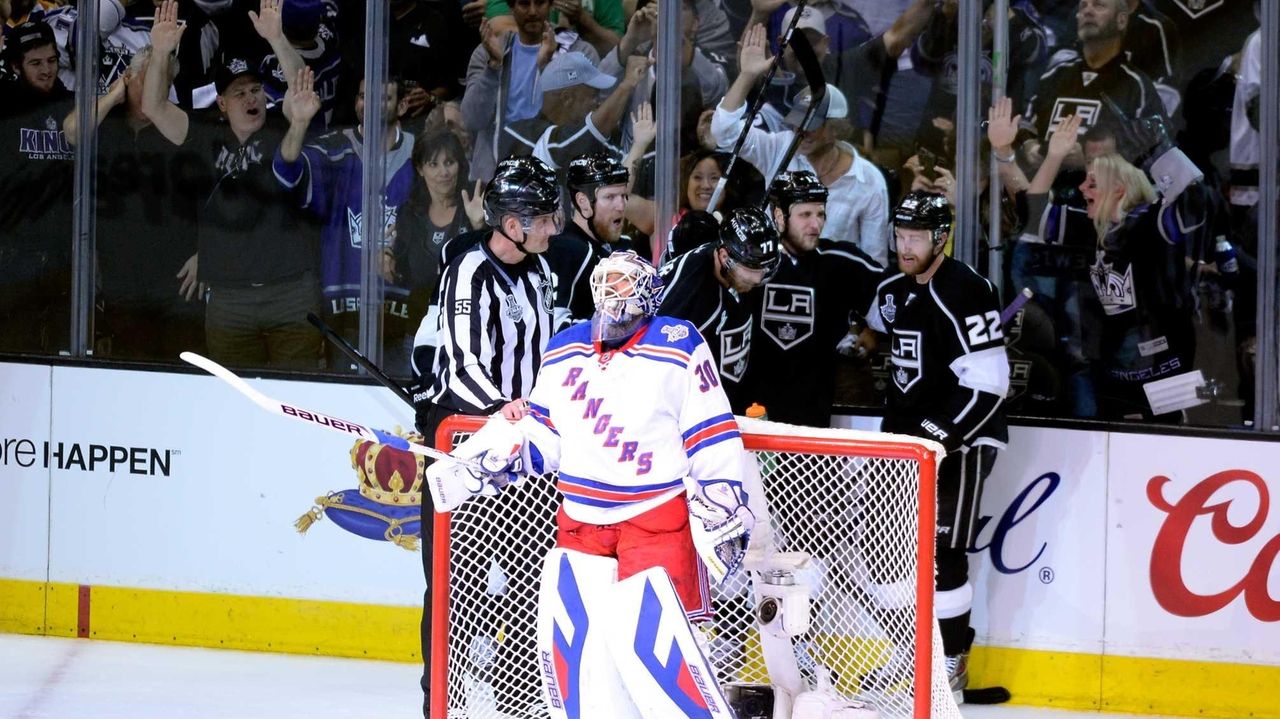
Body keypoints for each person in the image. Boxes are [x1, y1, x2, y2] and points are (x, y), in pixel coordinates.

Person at [425, 250, 751, 719]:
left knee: (659, 664)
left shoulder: (678, 342)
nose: (612, 290)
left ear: (648, 291)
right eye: (607, 280)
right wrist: (495, 459)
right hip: (580, 524)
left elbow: (711, 428)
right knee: (583, 668)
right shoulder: (563, 347)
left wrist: (721, 495)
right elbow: (545, 436)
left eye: (624, 281)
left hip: (656, 520)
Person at [412, 155, 561, 717]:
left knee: (530, 586)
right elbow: (466, 370)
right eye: (544, 218)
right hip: (465, 447)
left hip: (524, 451)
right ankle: (439, 704)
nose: (553, 227)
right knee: (456, 591)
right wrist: (506, 411)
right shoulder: (468, 270)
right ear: (514, 223)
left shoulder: (540, 272)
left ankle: (520, 702)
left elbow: (545, 358)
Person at [864, 191, 1010, 694]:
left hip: (961, 442)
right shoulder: (892, 289)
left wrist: (940, 436)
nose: (906, 247)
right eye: (900, 236)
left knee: (942, 551)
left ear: (941, 238)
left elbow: (990, 384)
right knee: (885, 552)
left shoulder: (968, 290)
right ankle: (912, 658)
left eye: (917, 238)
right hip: (905, 441)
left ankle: (951, 663)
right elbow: (873, 333)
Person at [142, 3, 321, 369]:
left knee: (300, 401)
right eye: (239, 93)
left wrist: (276, 37)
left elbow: (302, 92)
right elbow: (154, 107)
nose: (251, 98)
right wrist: (161, 53)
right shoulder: (204, 138)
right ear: (221, 103)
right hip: (229, 302)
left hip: (290, 294)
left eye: (255, 89)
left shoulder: (281, 131)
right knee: (235, 408)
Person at [273, 71, 418, 375]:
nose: (370, 104)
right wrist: (298, 124)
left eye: (383, 98)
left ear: (403, 106)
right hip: (345, 315)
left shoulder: (421, 154)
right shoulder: (335, 148)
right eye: (364, 96)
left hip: (404, 317)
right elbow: (286, 175)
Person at [711, 23, 891, 265]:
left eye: (812, 124)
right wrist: (747, 75)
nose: (801, 131)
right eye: (797, 122)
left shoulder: (868, 181)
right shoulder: (781, 148)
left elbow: (874, 261)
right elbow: (724, 132)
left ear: (837, 127)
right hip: (772, 279)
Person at [1079, 115, 1211, 422]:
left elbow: (1194, 199)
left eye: (1092, 183)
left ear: (1120, 189)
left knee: (1165, 436)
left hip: (1166, 360)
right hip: (1117, 366)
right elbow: (1029, 215)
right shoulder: (1094, 228)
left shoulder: (1152, 220)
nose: (1081, 187)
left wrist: (1160, 149)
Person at [746, 171, 882, 427]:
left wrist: (873, 329)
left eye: (820, 214)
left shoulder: (840, 263)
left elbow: (895, 296)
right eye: (805, 215)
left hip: (813, 420)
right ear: (779, 216)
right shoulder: (749, 262)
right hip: (751, 417)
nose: (816, 225)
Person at [459, 0, 598, 182]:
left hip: (555, 176)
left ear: (550, 5)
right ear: (511, 7)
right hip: (496, 177)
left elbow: (583, 123)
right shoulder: (488, 51)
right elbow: (472, 120)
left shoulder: (580, 52)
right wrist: (493, 67)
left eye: (539, 3)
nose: (532, 11)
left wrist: (547, 68)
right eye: (524, 3)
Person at [659, 206, 781, 411]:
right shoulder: (690, 293)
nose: (759, 278)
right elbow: (655, 364)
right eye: (752, 268)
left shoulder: (728, 263)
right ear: (724, 257)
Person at [0, 19, 73, 353]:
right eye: (35, 63)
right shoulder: (3, 107)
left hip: (66, 259)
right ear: (16, 66)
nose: (47, 70)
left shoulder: (73, 106)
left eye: (52, 60)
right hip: (14, 261)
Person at [391, 130, 486, 355]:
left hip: (469, 333)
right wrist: (389, 259)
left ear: (459, 165)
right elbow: (403, 272)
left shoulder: (477, 202)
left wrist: (480, 227)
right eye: (433, 164)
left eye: (449, 162)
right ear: (420, 169)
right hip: (419, 331)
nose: (443, 172)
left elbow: (493, 265)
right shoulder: (408, 213)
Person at [544, 152, 634, 331]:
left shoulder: (624, 246)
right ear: (583, 202)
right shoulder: (567, 250)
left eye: (624, 196)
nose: (621, 206)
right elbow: (552, 326)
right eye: (610, 197)